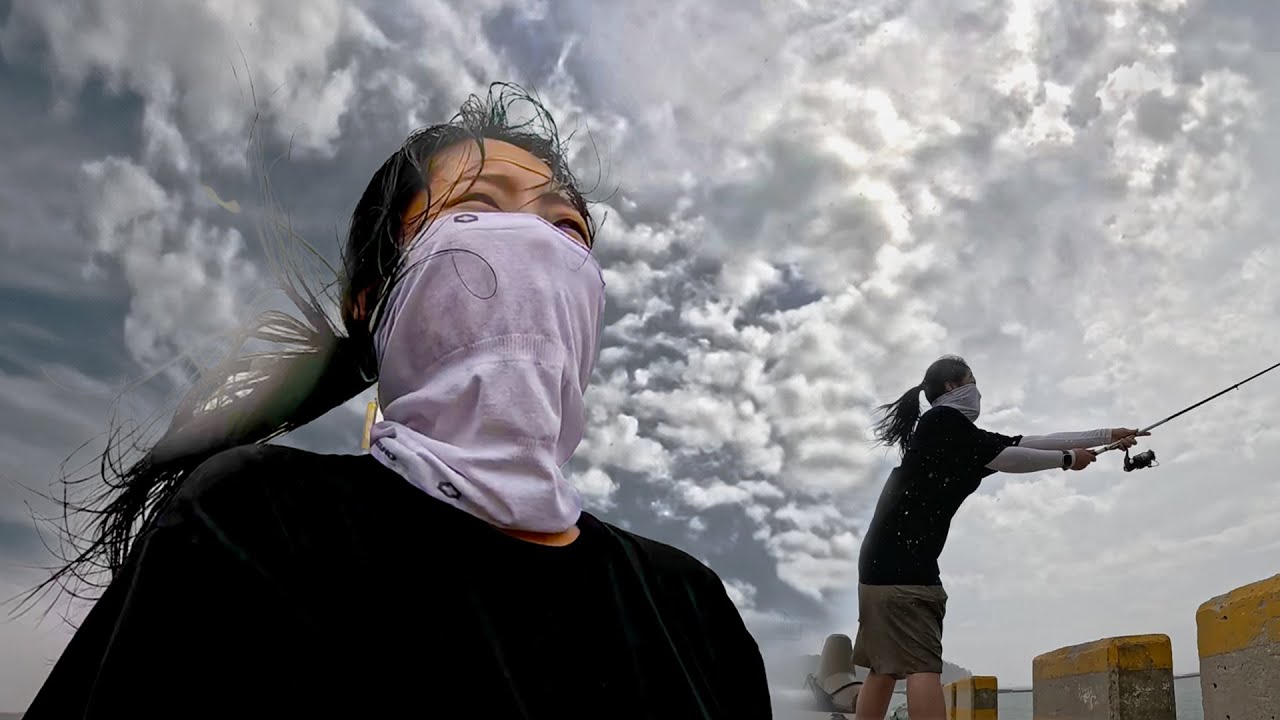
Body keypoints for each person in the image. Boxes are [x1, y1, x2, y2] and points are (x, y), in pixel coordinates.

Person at [23, 85, 771, 719]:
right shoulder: (262, 518)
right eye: (477, 208)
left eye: (566, 227)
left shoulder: (691, 604)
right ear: (374, 302)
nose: (536, 245)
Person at [852, 355, 1148, 720]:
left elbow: (1032, 442)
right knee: (922, 666)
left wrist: (1106, 436)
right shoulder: (943, 422)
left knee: (884, 667)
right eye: (973, 379)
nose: (979, 391)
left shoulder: (953, 435)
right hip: (906, 567)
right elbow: (1013, 457)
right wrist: (1068, 460)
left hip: (880, 563)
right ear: (952, 386)